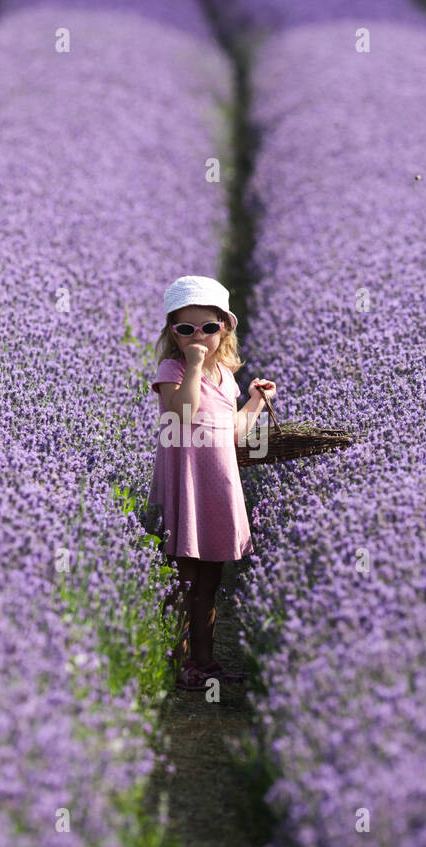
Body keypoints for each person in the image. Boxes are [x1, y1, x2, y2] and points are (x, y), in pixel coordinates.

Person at [146, 275, 276, 691]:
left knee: (210, 581)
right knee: (185, 579)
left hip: (218, 484)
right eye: (185, 329)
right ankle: (181, 663)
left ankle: (207, 661)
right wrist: (196, 365)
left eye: (208, 328)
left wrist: (256, 401)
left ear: (225, 329)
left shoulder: (226, 376)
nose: (197, 336)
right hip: (187, 484)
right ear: (173, 333)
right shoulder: (173, 371)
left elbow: (237, 431)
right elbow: (183, 411)